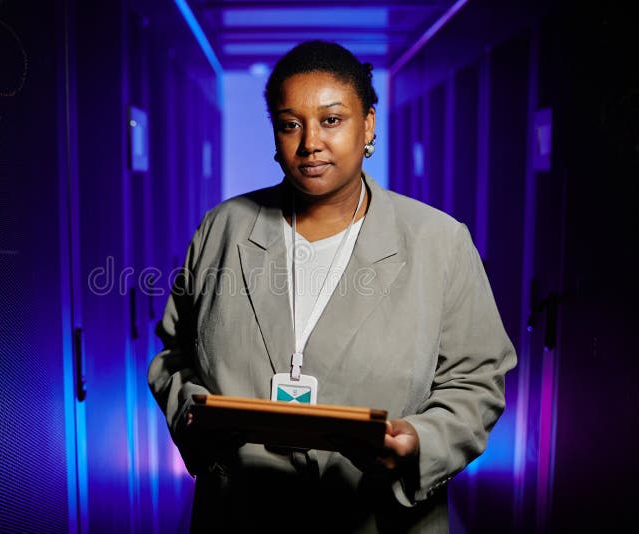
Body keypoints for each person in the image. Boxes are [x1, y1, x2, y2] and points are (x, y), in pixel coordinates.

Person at [148, 40, 516, 533]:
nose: (310, 143)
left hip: (376, 515)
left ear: (368, 125)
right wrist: (195, 420)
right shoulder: (224, 228)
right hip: (242, 512)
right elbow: (174, 355)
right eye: (290, 124)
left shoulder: (438, 241)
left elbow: (476, 381)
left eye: (332, 120)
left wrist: (419, 441)